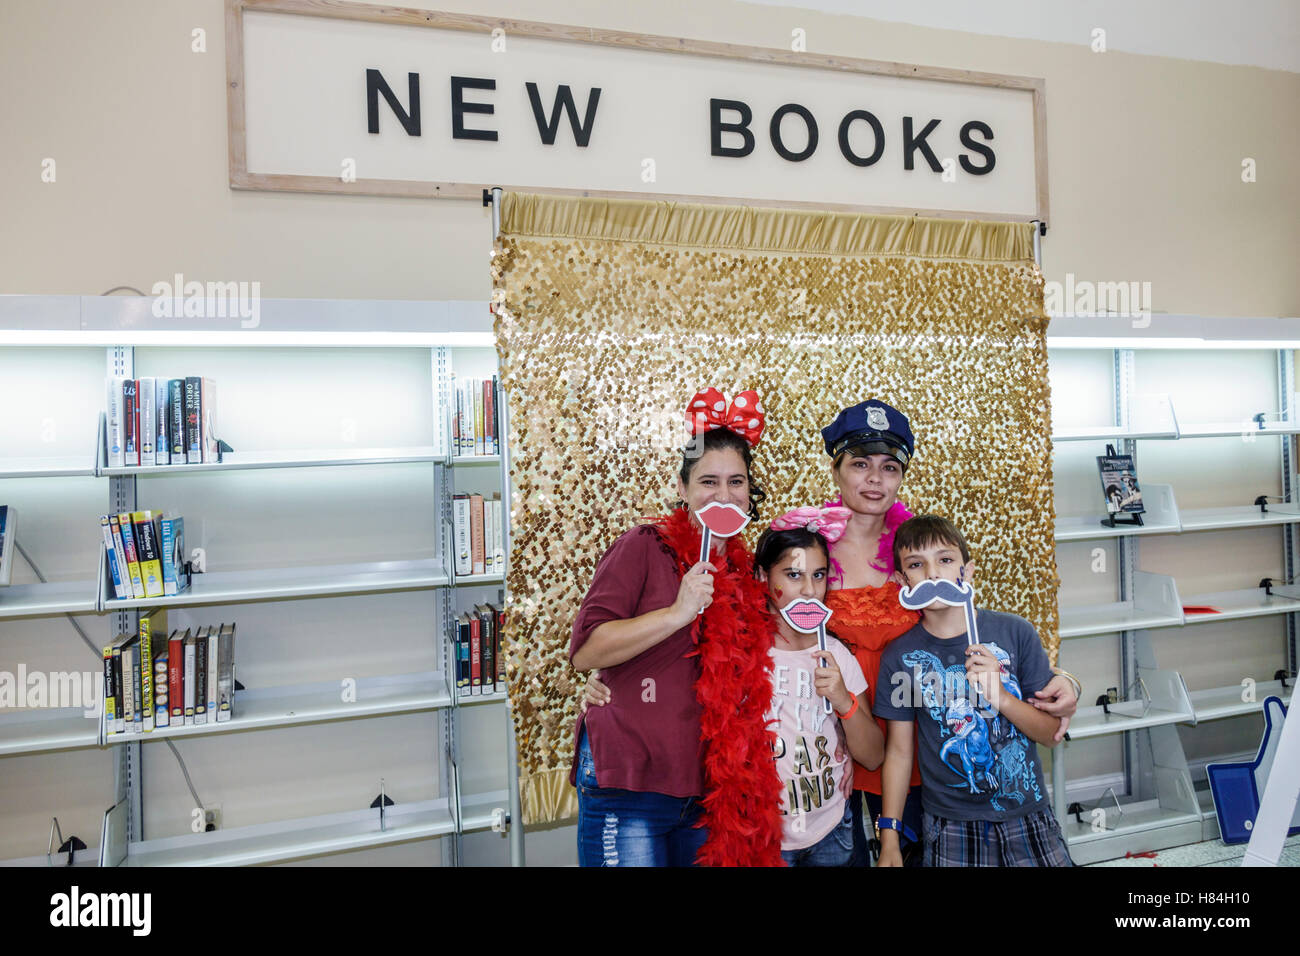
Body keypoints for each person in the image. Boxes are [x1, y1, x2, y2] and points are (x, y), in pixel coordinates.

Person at [818, 399, 1080, 866]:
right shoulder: (809, 550)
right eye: (859, 464)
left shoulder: (916, 543)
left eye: (889, 467)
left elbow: (968, 635)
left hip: (928, 743)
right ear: (836, 469)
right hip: (838, 734)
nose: (875, 479)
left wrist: (1063, 679)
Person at [585, 509, 887, 866]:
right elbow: (670, 679)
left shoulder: (836, 655)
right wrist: (608, 683)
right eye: (793, 575)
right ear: (762, 576)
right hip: (763, 839)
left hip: (832, 830)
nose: (809, 590)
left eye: (818, 575)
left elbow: (872, 755)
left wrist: (843, 700)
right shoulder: (737, 653)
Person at [569, 387, 783, 867]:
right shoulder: (644, 546)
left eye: (736, 482)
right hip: (631, 785)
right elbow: (586, 650)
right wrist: (677, 614)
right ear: (683, 489)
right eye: (708, 481)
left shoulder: (749, 577)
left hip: (709, 797)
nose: (723, 495)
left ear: (750, 494)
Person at [874, 514, 1073, 867]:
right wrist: (889, 836)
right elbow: (900, 753)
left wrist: (1000, 696)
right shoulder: (900, 655)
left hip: (1026, 814)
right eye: (917, 565)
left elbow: (1049, 735)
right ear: (902, 580)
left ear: (967, 572)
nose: (933, 574)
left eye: (945, 560)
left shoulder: (1015, 632)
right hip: (950, 824)